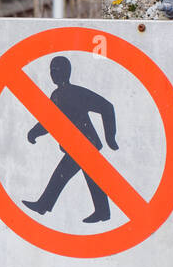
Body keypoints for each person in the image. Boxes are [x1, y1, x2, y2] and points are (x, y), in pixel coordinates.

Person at [22, 56, 119, 223]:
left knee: (61, 175)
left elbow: (107, 107)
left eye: (57, 70)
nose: (53, 74)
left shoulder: (75, 92)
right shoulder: (57, 94)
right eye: (51, 70)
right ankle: (102, 212)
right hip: (77, 146)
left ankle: (43, 205)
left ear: (66, 72)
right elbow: (49, 121)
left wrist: (110, 138)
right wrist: (34, 133)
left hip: (84, 145)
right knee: (92, 178)